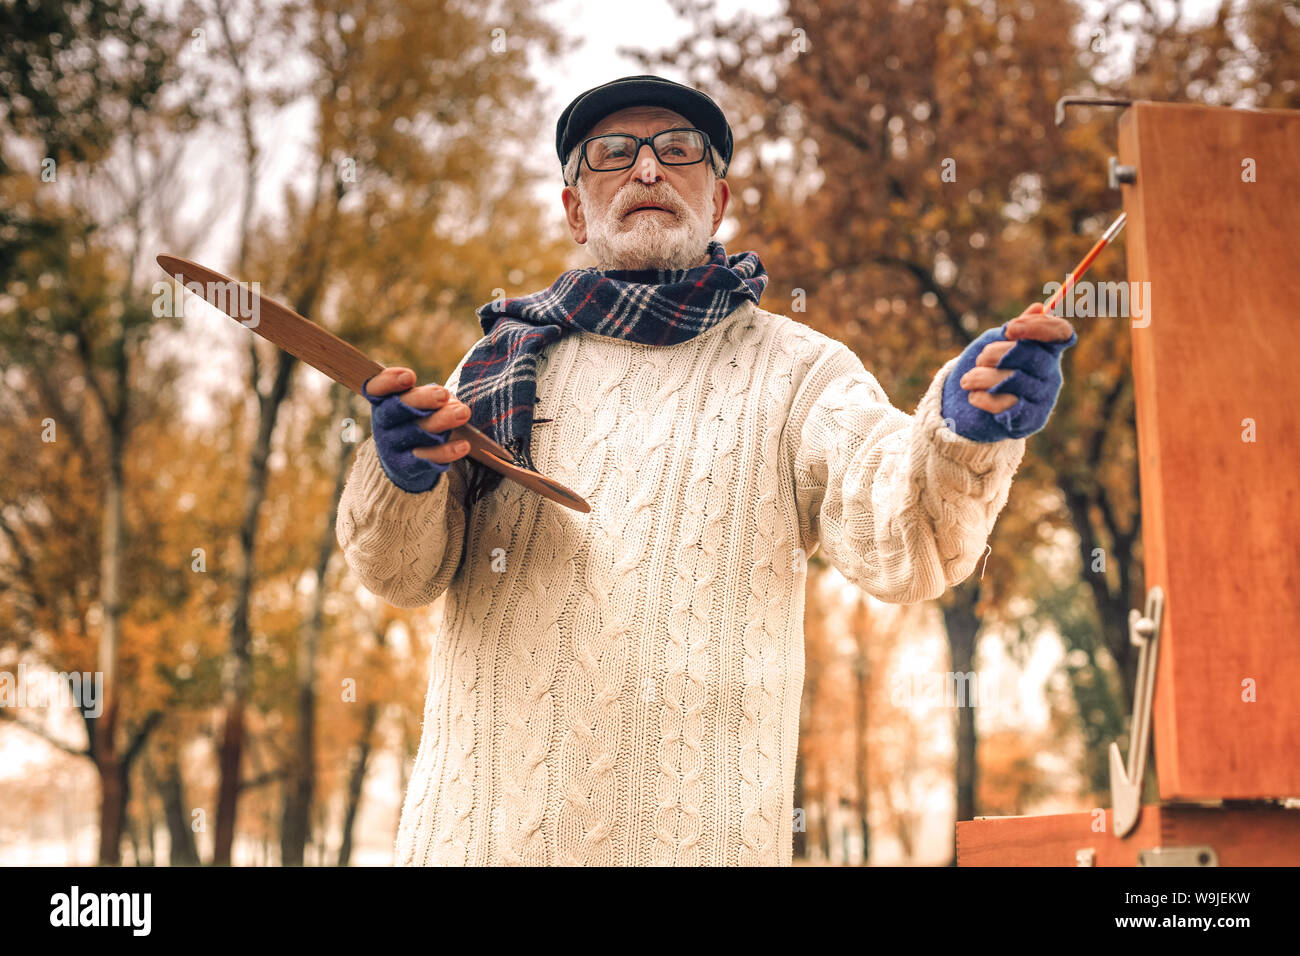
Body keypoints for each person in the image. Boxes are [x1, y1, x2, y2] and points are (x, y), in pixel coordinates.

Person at [336, 74, 1076, 866]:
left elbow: (912, 541)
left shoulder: (803, 374)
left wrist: (964, 432)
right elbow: (404, 575)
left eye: (676, 150)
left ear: (717, 201)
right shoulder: (493, 367)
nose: (646, 170)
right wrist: (399, 478)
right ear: (576, 210)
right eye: (613, 153)